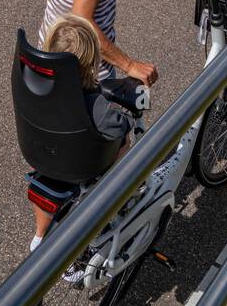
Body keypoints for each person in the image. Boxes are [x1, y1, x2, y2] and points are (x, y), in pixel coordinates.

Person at [29, 13, 142, 251]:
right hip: (82, 163)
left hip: (43, 153)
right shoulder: (96, 106)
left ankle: (39, 237)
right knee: (124, 140)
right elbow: (117, 128)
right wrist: (128, 121)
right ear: (92, 62)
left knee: (43, 187)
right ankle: (117, 193)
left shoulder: (36, 90)